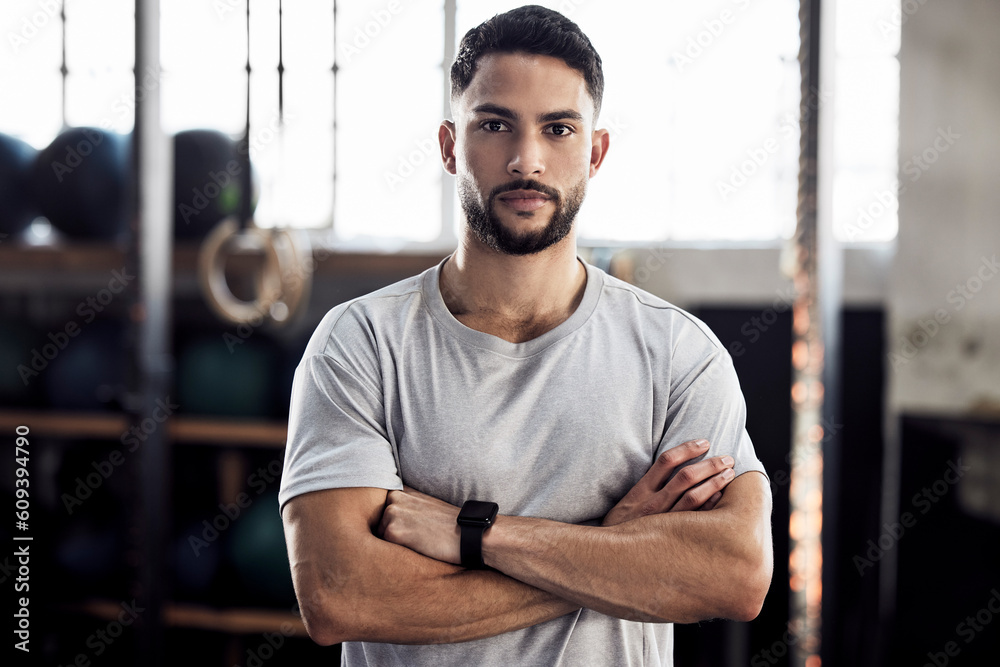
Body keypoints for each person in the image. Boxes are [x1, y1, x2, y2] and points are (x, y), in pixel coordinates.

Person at [279, 5, 772, 666]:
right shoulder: (361, 343)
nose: (526, 160)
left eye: (558, 128)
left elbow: (735, 576)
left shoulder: (679, 353)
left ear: (595, 152)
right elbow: (340, 595)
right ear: (450, 145)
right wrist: (614, 545)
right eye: (494, 125)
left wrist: (477, 536)